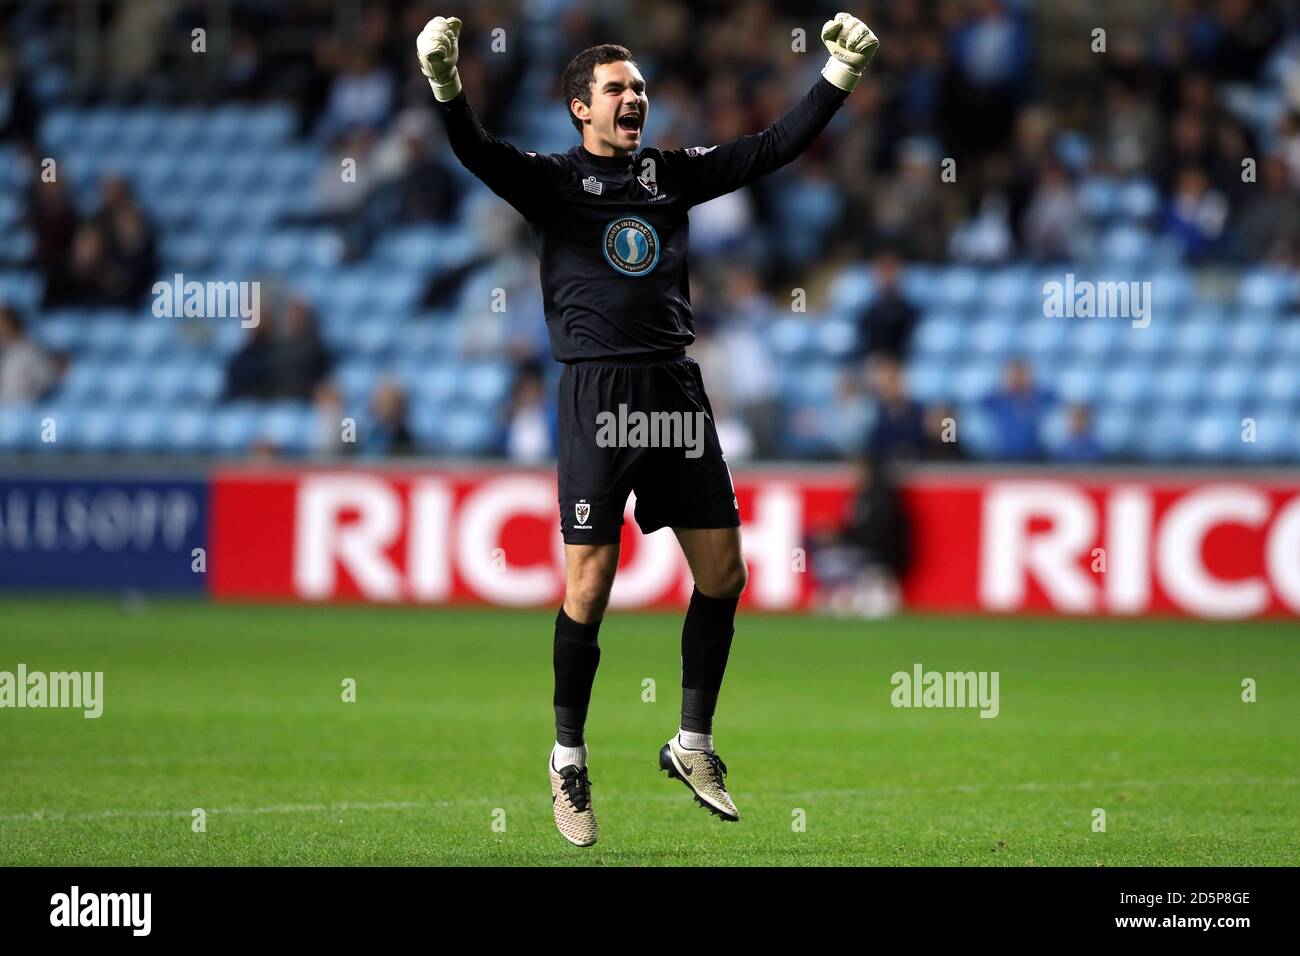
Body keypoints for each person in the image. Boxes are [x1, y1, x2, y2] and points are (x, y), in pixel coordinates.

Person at [417, 11, 879, 846]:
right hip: (598, 393)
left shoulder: (673, 174)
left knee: (725, 574)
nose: (633, 99)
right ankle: (566, 759)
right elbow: (477, 153)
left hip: (675, 390)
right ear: (579, 110)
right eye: (615, 89)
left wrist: (838, 75)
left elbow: (770, 147)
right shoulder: (552, 180)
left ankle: (691, 743)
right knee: (588, 586)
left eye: (638, 88)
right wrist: (448, 88)